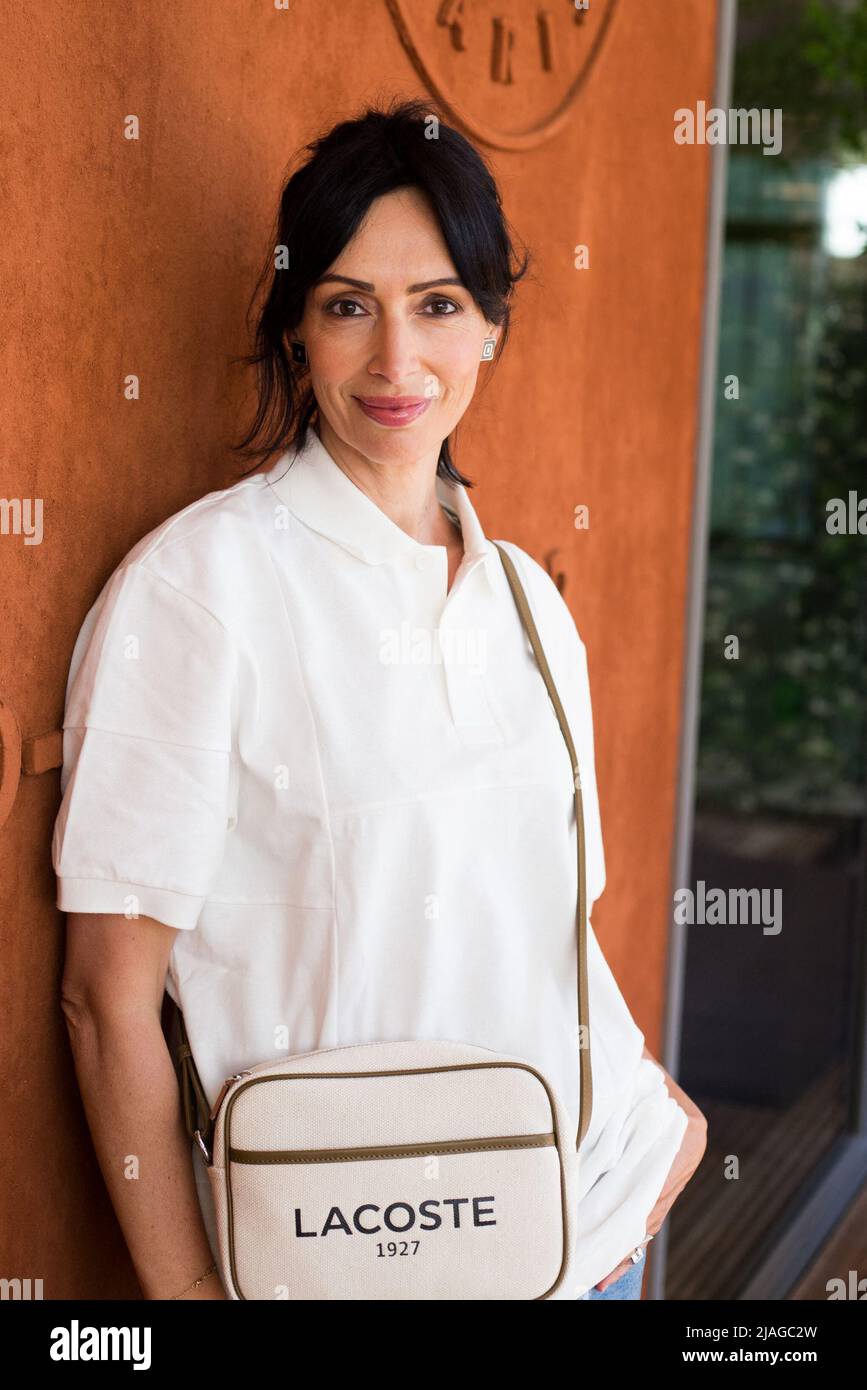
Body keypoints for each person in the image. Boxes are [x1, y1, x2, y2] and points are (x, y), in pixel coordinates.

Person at [54, 97, 707, 1302]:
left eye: (440, 306)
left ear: (494, 329)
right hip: (351, 1272)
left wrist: (662, 1131)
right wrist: (190, 1299)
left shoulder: (523, 598)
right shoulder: (202, 590)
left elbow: (545, 923)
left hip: (594, 1231)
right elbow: (106, 1000)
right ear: (299, 332)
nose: (397, 363)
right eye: (349, 306)